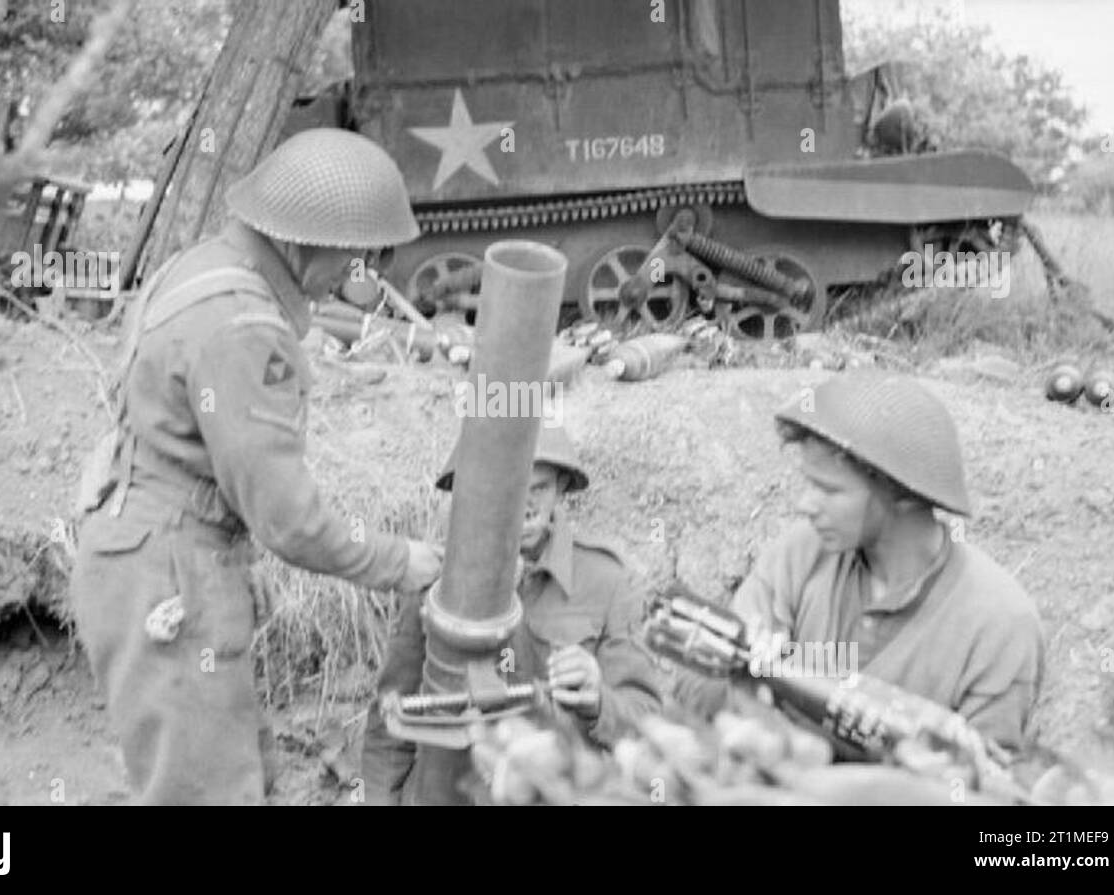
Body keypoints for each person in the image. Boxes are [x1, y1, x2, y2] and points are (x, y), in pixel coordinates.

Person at [70, 128, 443, 805]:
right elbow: (288, 517)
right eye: (360, 260)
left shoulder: (207, 268)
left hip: (154, 549)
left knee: (219, 777)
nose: (361, 279)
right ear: (310, 242)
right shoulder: (244, 326)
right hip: (168, 573)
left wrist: (232, 565)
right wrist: (399, 560)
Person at [677, 371, 1044, 753]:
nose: (805, 505)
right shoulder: (800, 556)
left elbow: (983, 786)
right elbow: (689, 692)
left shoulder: (999, 623)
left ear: (903, 494)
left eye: (829, 489)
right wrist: (741, 677)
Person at [361, 426, 663, 805]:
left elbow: (647, 724)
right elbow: (392, 714)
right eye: (510, 488)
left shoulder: (606, 581)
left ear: (560, 489)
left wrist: (597, 700)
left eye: (539, 488)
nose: (525, 504)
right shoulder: (437, 584)